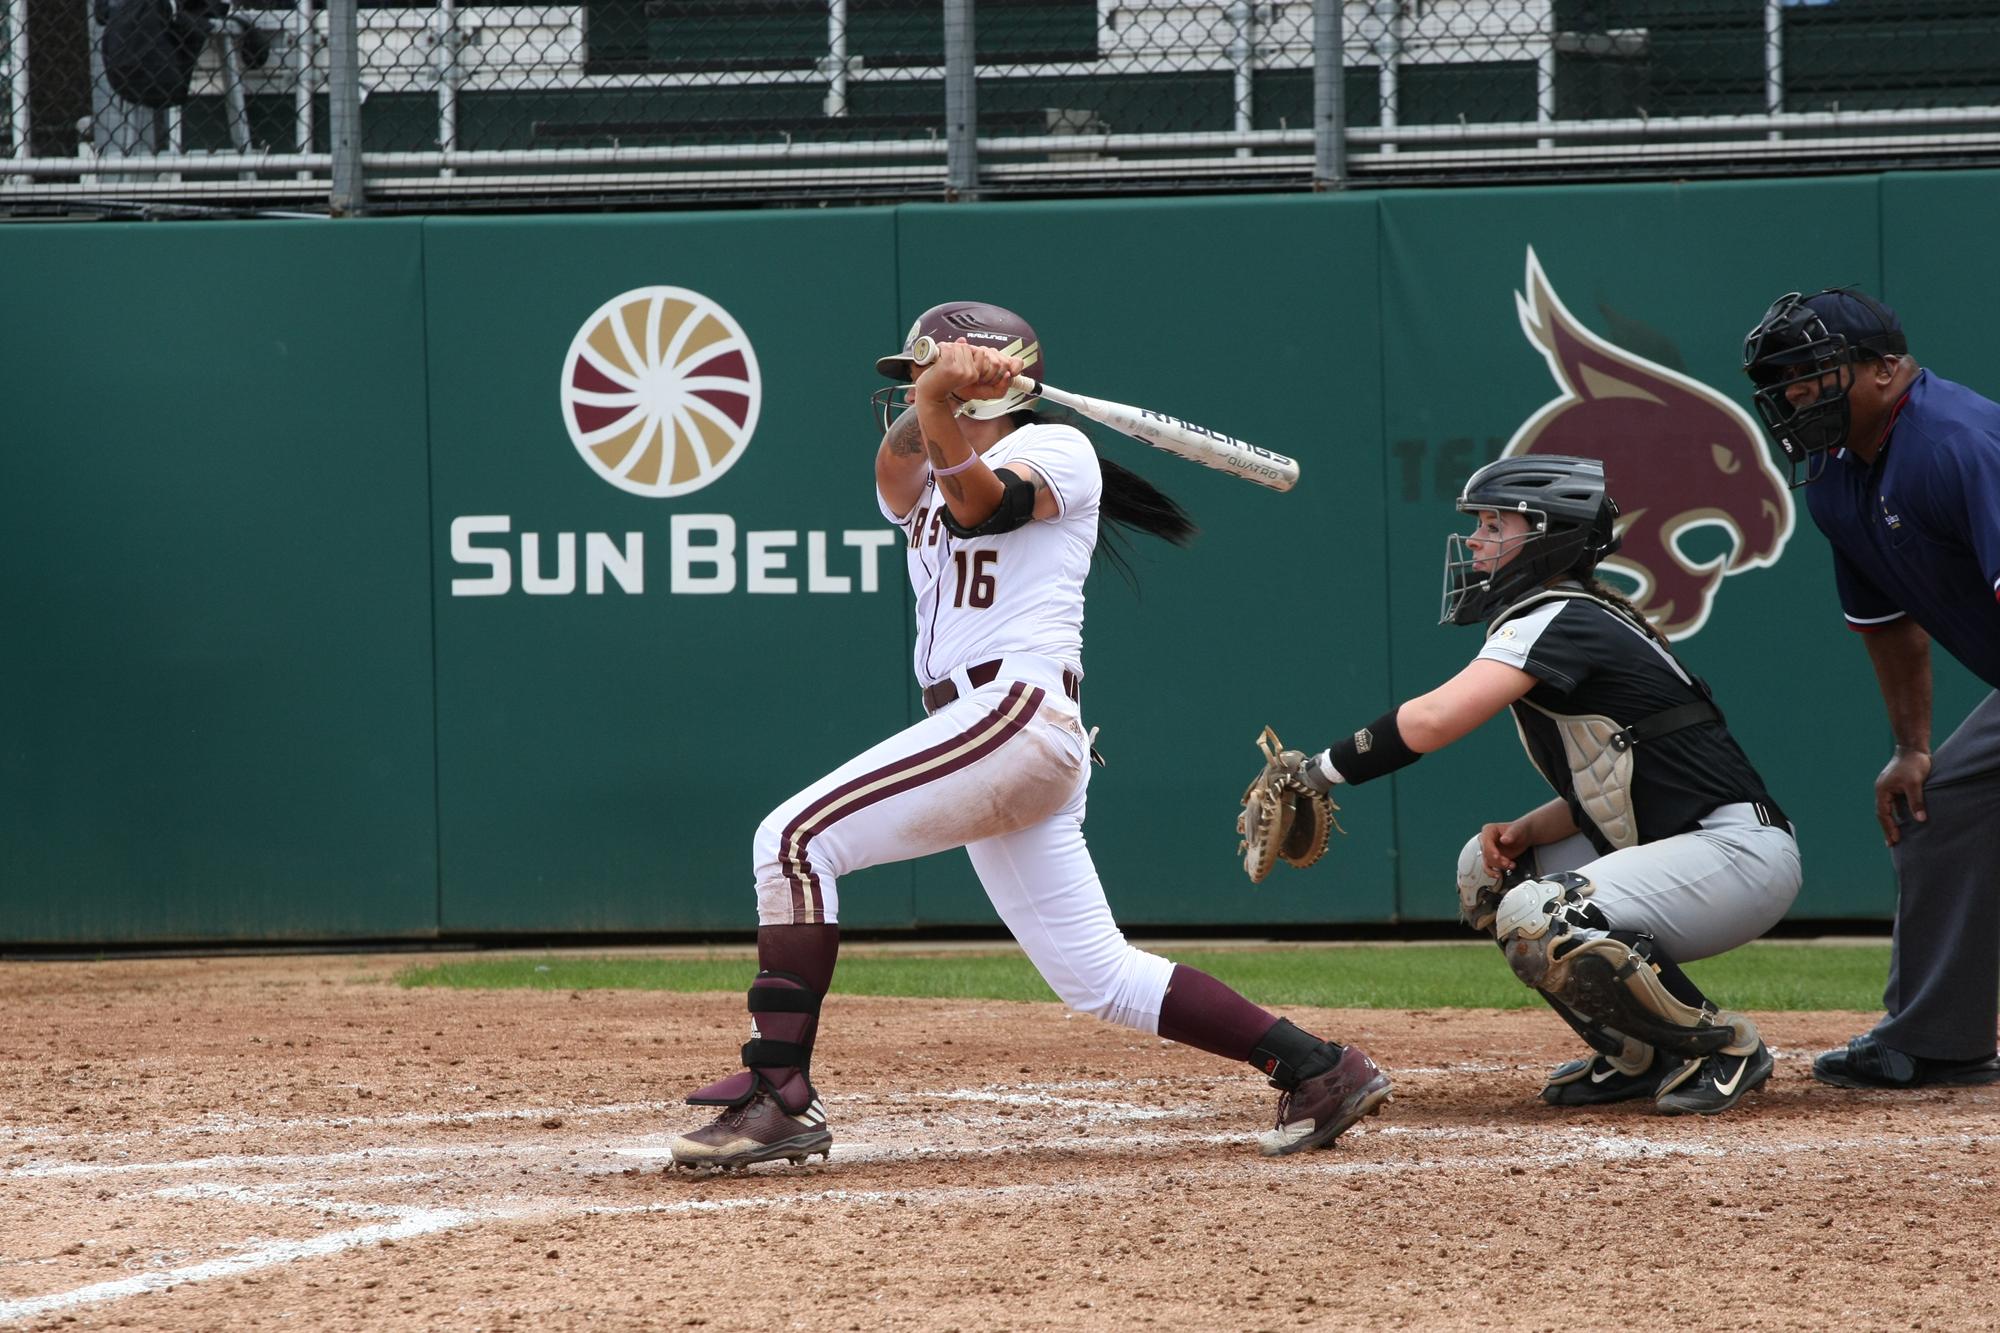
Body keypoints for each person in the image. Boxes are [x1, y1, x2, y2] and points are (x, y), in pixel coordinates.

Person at [667, 301, 1390, 1171]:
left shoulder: (1058, 449)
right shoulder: (928, 465)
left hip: (1012, 713)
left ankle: (777, 1093)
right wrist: (939, 388)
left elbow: (979, 507)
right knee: (1098, 975)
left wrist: (952, 398)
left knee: (790, 839)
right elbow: (902, 472)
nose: (907, 399)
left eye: (920, 384)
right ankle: (1317, 1067)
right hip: (987, 731)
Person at [1273, 455, 1801, 1115]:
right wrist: (1527, 831)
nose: (1475, 539)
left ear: (1549, 535)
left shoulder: (1561, 615)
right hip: (1690, 843)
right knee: (1492, 872)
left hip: (1737, 851)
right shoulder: (1564, 614)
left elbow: (1434, 720)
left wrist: (1320, 769)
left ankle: (1723, 1044)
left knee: (1544, 911)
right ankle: (1634, 1052)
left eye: (1496, 523)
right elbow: (1623, 783)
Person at [1742, 288, 2000, 1090]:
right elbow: (1888, 623)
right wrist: (1912, 747)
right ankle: (1937, 1039)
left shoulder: (1958, 441)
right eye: (1784, 382)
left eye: (1814, 375)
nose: (1795, 396)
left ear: (1886, 369)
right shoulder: (1835, 478)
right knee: (1939, 805)